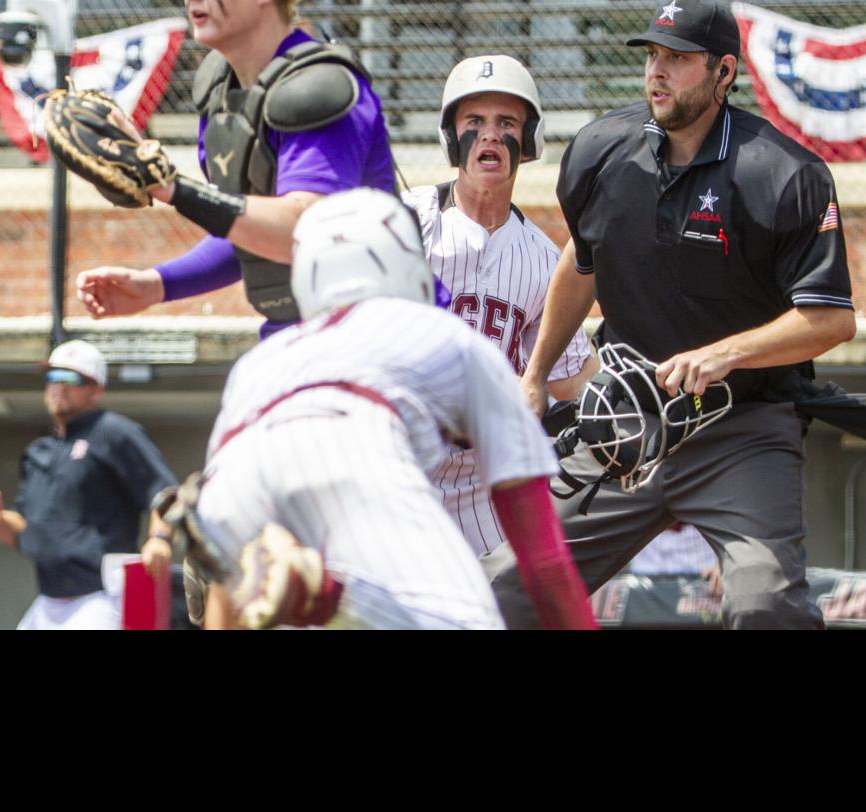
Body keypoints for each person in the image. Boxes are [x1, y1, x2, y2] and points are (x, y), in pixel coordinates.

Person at [492, 0, 856, 630]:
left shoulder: (786, 174)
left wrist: (725, 354)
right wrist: (535, 374)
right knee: (500, 588)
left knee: (767, 604)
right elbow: (582, 259)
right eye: (652, 55)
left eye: (679, 59)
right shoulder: (600, 149)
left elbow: (830, 320)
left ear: (724, 72)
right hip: (626, 421)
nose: (656, 72)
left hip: (743, 432)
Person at [190, 187, 595, 630]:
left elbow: (227, 497)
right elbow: (544, 560)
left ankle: (311, 590)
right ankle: (322, 595)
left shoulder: (259, 363)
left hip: (230, 499)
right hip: (357, 460)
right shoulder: (446, 335)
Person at [74, 0, 397, 338]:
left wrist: (169, 186)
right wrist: (157, 284)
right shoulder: (221, 89)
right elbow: (248, 230)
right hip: (296, 336)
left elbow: (306, 231)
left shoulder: (318, 86)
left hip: (373, 335)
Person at [403, 54, 600, 555]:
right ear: (451, 138)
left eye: (506, 123)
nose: (490, 135)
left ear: (529, 140)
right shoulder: (407, 222)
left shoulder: (543, 259)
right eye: (474, 122)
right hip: (398, 476)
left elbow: (570, 379)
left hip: (483, 496)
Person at [0, 341, 180, 630]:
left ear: (96, 390)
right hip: (49, 598)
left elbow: (165, 493)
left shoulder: (112, 431)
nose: (59, 387)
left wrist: (159, 538)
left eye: (70, 378)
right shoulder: (39, 451)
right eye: (53, 377)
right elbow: (24, 527)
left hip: (101, 597)